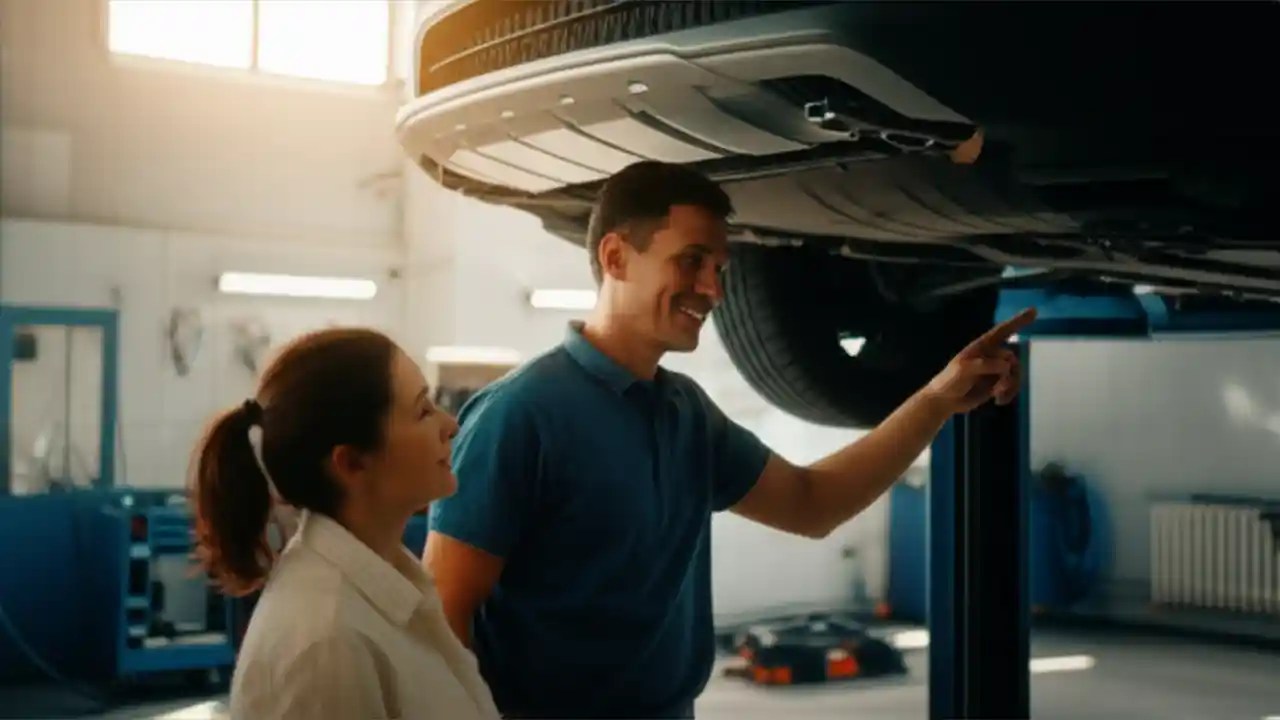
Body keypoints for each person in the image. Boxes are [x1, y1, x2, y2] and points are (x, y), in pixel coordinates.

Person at [425, 161, 1036, 719]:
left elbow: (810, 502)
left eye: (718, 270)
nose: (713, 291)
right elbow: (442, 614)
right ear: (616, 257)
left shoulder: (684, 412)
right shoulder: (519, 416)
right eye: (691, 261)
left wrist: (936, 401)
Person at [190, 328, 499, 720]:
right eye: (423, 411)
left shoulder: (389, 582)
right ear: (351, 463)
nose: (450, 424)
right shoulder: (326, 642)